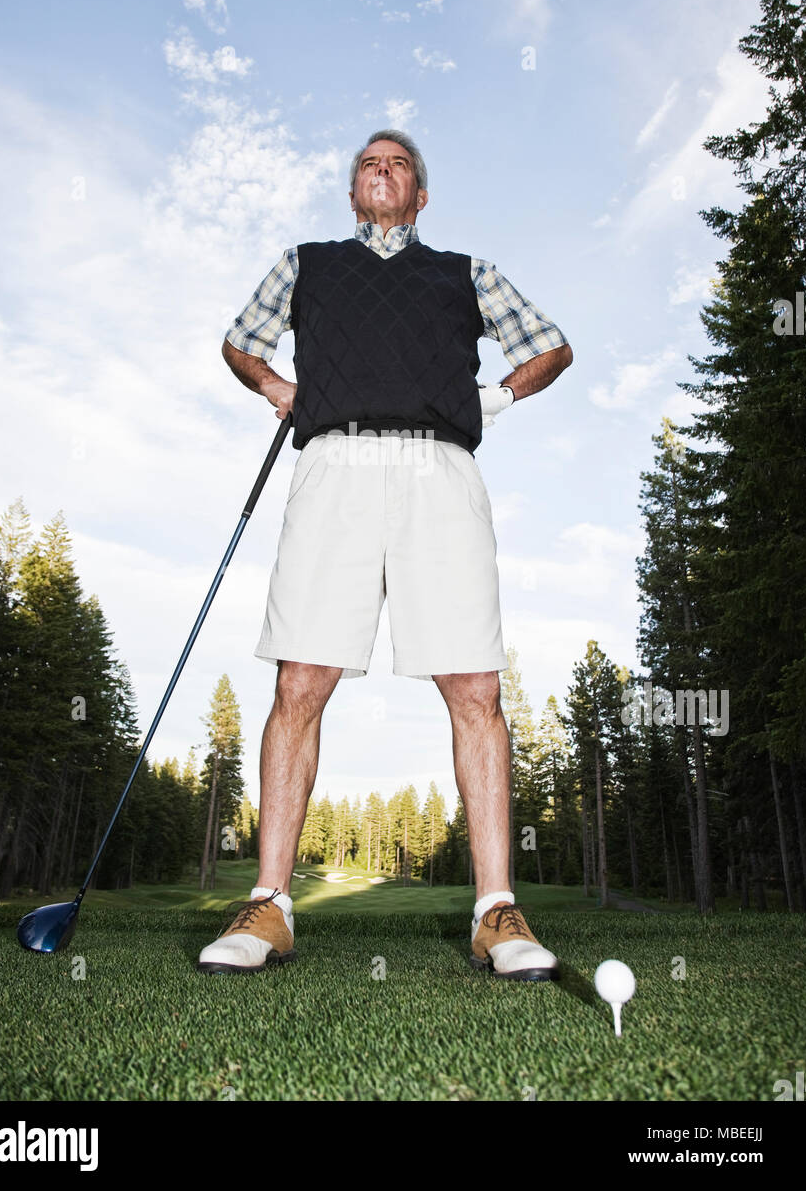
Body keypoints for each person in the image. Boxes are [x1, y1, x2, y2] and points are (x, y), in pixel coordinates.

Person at [198, 130, 572, 980]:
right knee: (300, 680)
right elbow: (239, 340)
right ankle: (269, 906)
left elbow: (551, 346)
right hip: (334, 465)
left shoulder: (464, 272)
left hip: (440, 467)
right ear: (352, 188)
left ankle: (496, 912)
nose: (382, 168)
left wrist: (496, 399)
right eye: (369, 161)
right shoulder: (308, 263)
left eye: (399, 163)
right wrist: (275, 386)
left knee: (475, 685)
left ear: (421, 195)